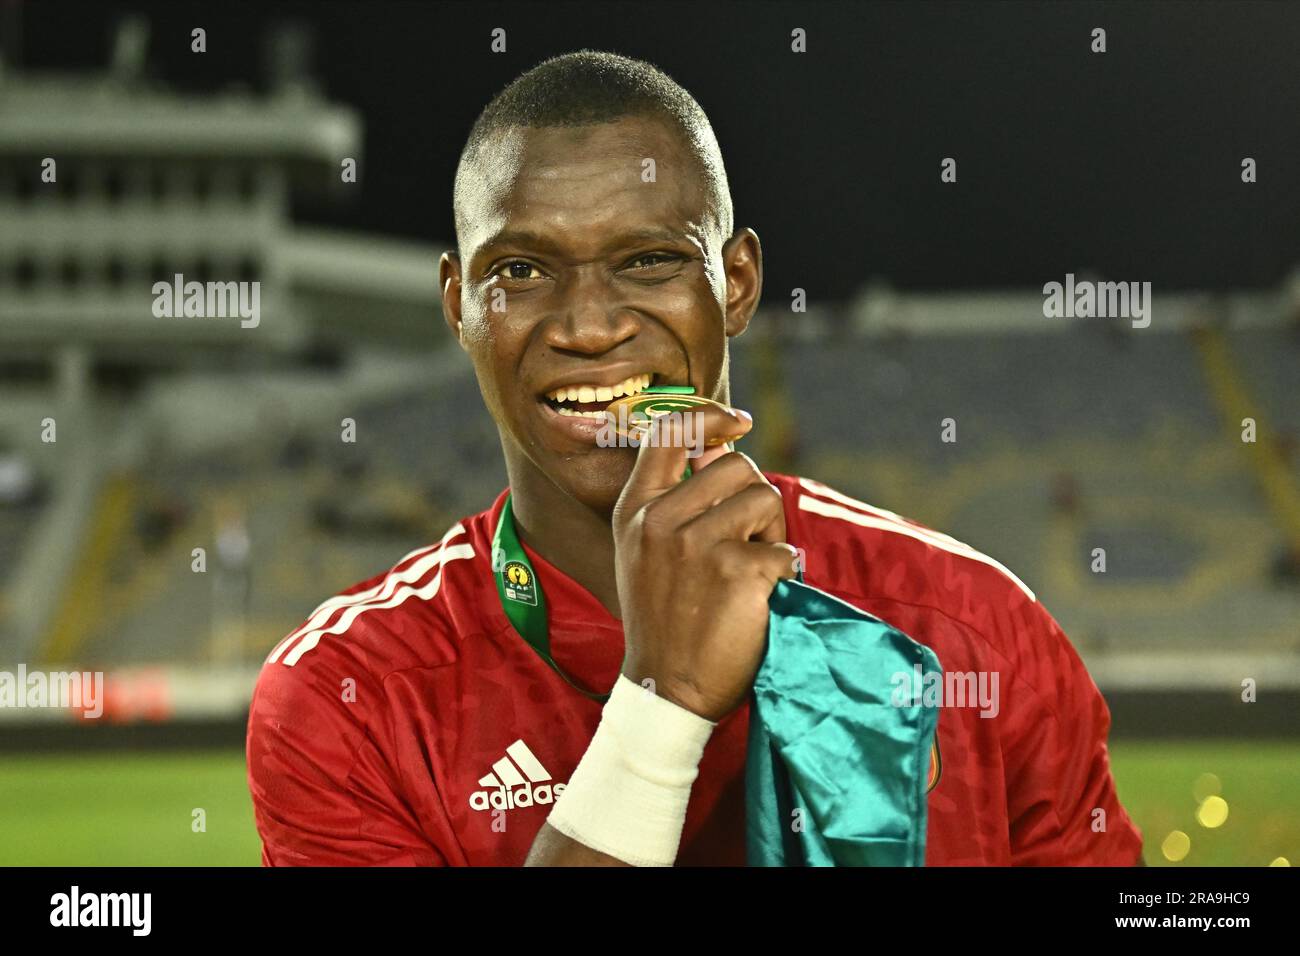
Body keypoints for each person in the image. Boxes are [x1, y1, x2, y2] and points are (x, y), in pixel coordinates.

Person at [246, 50, 1143, 867]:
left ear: (738, 284)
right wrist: (663, 701)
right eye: (521, 271)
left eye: (647, 262)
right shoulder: (344, 699)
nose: (589, 327)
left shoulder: (973, 629)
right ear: (458, 305)